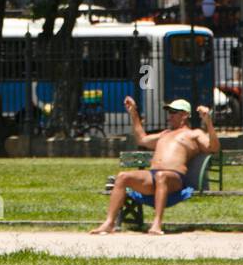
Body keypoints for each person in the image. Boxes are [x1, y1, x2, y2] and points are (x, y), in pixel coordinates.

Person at [91, 97, 220, 236]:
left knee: (161, 176)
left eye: (173, 112)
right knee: (123, 177)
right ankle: (109, 223)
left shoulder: (194, 134)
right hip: (153, 177)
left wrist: (208, 122)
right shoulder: (165, 134)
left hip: (174, 179)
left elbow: (214, 148)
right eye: (169, 112)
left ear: (185, 115)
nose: (169, 115)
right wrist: (133, 113)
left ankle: (157, 223)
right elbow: (142, 139)